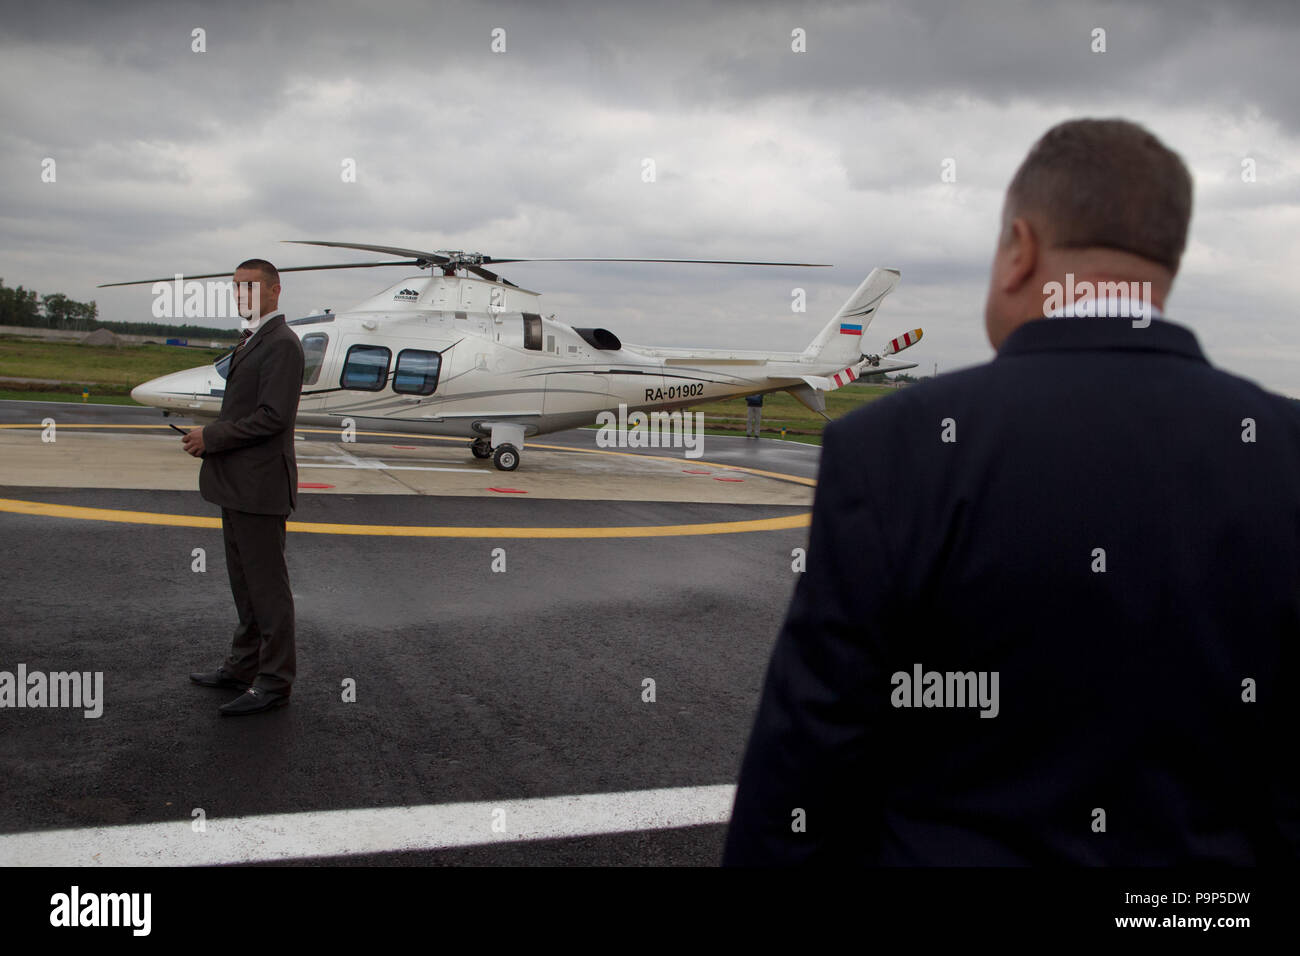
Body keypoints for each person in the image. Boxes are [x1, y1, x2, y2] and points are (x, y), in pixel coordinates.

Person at [723, 118, 1300, 865]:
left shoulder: (895, 447)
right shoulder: (1282, 450)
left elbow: (808, 758)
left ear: (1021, 250)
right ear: (1168, 265)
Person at [183, 259, 305, 716]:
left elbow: (274, 417)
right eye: (236, 287)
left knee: (268, 590)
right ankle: (243, 666)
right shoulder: (254, 339)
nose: (242, 295)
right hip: (237, 484)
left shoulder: (283, 345)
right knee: (245, 585)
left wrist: (210, 437)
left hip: (260, 487)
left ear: (275, 291)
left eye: (251, 287)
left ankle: (274, 682)